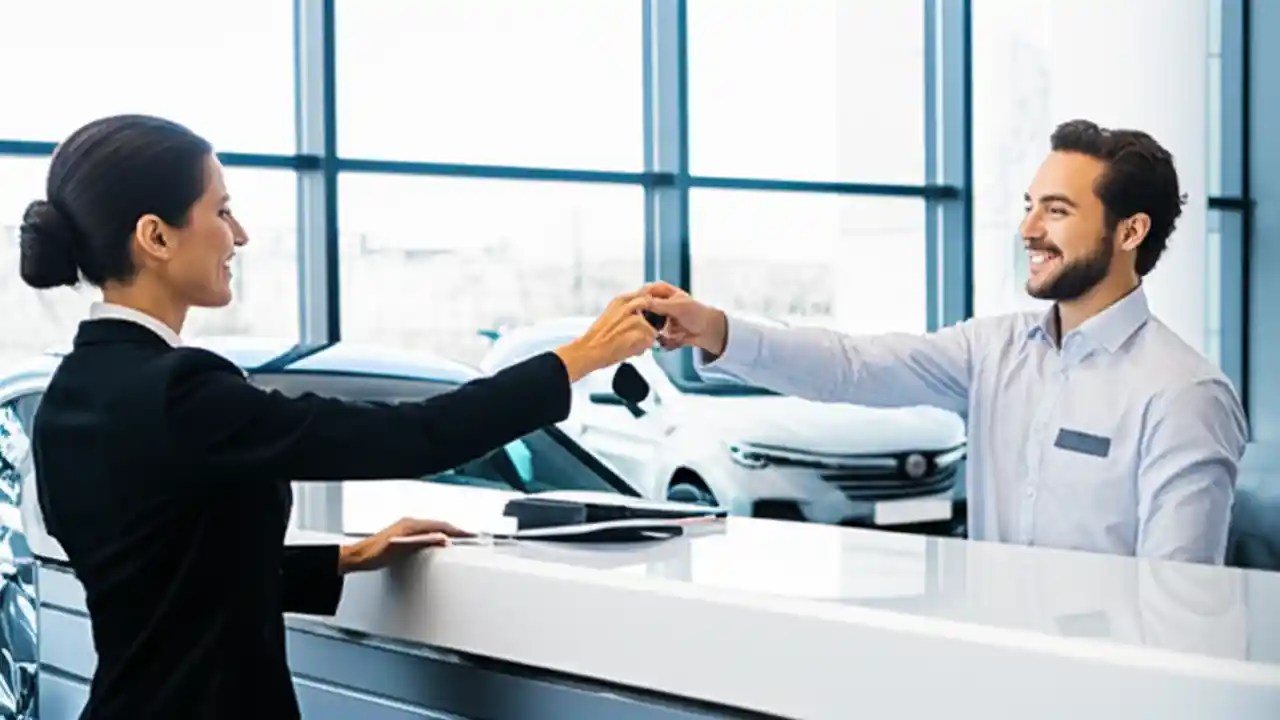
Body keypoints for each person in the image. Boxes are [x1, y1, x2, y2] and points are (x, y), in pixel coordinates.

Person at [17, 114, 659, 719]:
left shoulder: (71, 392)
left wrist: (344, 559)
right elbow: (408, 436)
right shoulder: (180, 392)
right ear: (155, 236)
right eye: (221, 210)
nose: (239, 236)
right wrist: (579, 357)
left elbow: (163, 582)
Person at [644, 119, 1248, 566]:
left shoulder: (1182, 393)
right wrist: (719, 330)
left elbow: (1181, 595)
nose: (1028, 230)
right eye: (1029, 206)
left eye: (1056, 211)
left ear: (1130, 231)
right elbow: (852, 367)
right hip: (994, 672)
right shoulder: (992, 351)